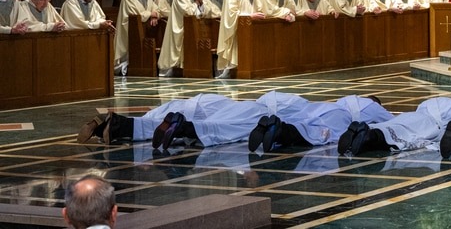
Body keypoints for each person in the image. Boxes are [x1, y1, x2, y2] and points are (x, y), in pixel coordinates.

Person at [79, 91, 311, 149]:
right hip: (237, 112)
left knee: (162, 116)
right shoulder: (268, 111)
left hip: (211, 101)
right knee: (217, 129)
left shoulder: (264, 102)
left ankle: (112, 124)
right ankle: (117, 126)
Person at [249, 94, 393, 153]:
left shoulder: (347, 99)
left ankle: (273, 127)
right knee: (315, 134)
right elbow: (393, 121)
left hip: (320, 107)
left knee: (301, 122)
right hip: (338, 117)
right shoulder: (374, 107)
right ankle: (279, 131)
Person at [338, 96, 451, 156]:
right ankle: (368, 137)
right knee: (403, 135)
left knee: (391, 125)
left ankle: (362, 134)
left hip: (409, 115)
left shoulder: (428, 103)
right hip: (428, 124)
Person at [158, 0, 217, 77]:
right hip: (180, 29)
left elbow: (206, 12)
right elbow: (188, 12)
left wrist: (201, 3)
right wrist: (197, 3)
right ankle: (171, 70)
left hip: (191, 30)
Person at [215, 0, 265, 79]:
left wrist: (260, 14)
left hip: (249, 28)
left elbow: (259, 7)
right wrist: (249, 16)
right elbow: (230, 13)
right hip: (237, 28)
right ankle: (230, 69)